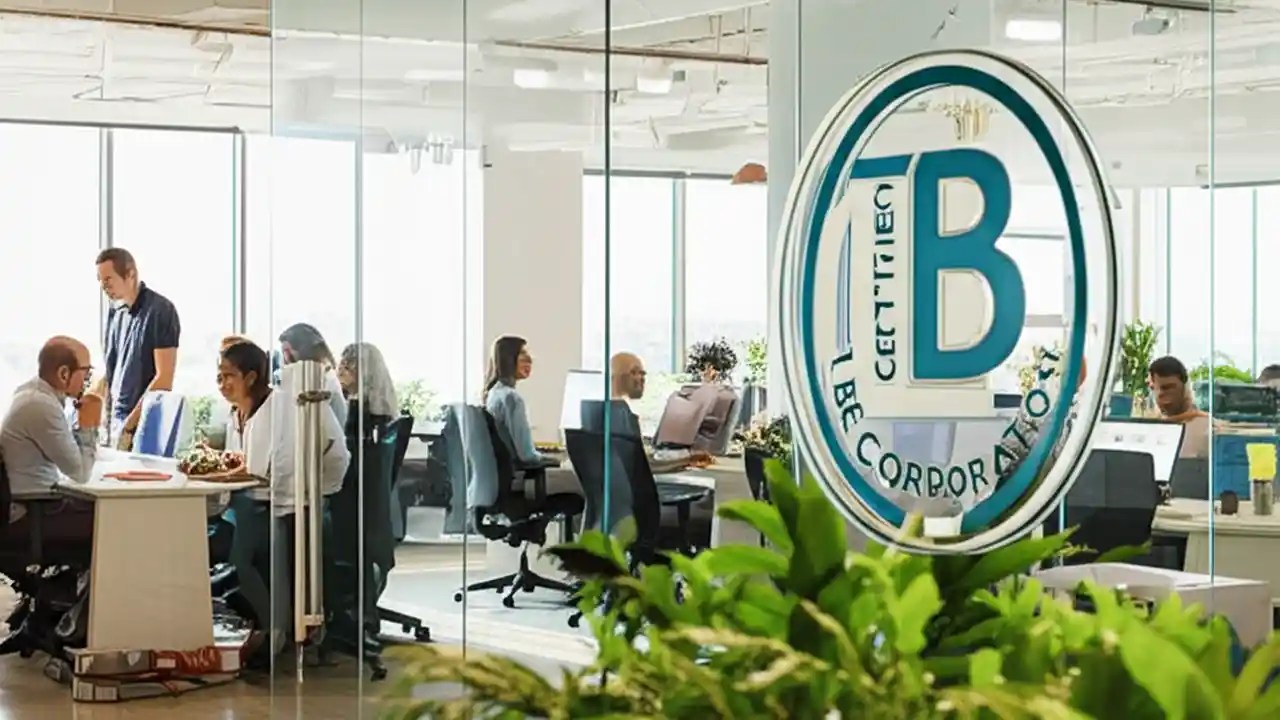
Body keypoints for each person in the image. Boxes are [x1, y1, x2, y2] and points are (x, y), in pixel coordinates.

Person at [217, 340, 350, 661]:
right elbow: (243, 463)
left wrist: (221, 474)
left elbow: (262, 472)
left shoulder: (276, 410)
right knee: (226, 532)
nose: (222, 384)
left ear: (250, 377)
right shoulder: (239, 412)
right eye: (218, 377)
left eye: (228, 376)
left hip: (282, 501)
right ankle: (265, 626)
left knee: (240, 554)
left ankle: (272, 630)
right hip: (254, 497)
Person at [0, 337, 102, 552]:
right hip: (32, 512)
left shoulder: (32, 395)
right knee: (112, 518)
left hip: (34, 504)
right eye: (86, 372)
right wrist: (89, 424)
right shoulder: (40, 406)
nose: (88, 379)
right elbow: (80, 473)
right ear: (64, 373)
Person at [96, 248, 180, 451]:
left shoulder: (160, 310)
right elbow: (111, 373)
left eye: (108, 279)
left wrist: (129, 425)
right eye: (99, 280)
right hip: (114, 424)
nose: (103, 286)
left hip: (144, 426)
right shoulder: (115, 313)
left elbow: (164, 378)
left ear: (130, 274)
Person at [483, 336, 548, 467]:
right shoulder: (511, 399)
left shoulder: (493, 393)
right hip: (511, 472)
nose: (530, 360)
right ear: (508, 359)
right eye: (523, 354)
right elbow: (527, 455)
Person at [278, 323, 348, 430]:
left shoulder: (324, 379)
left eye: (288, 351)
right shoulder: (310, 378)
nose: (287, 358)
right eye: (284, 352)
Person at [1149, 355, 1211, 458]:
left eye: (1167, 388)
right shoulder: (1152, 428)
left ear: (1185, 385)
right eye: (1154, 388)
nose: (1159, 394)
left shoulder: (1208, 428)